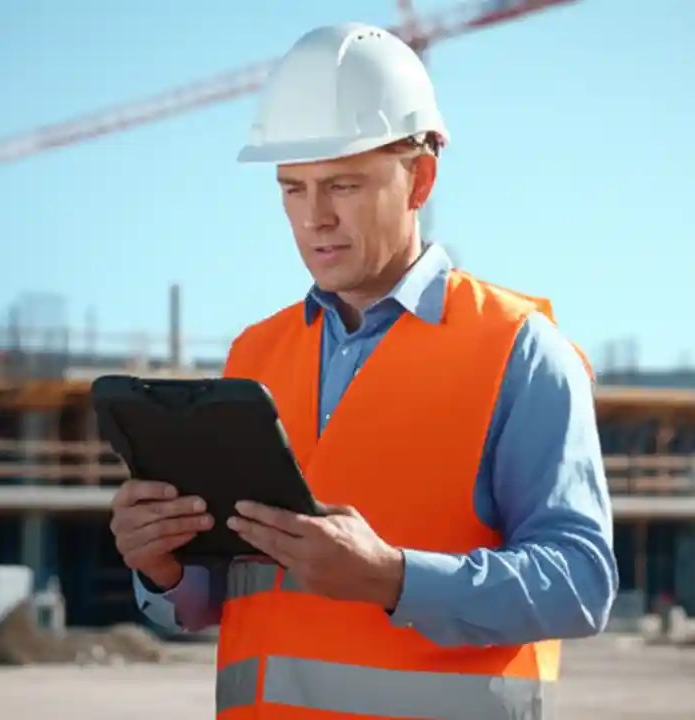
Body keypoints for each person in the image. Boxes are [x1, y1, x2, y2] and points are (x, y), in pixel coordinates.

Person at [109, 21, 617, 719]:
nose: (315, 218)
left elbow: (581, 584)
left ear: (421, 179)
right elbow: (220, 602)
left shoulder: (519, 351)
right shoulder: (253, 356)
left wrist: (393, 578)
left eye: (342, 184)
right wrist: (162, 568)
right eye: (293, 188)